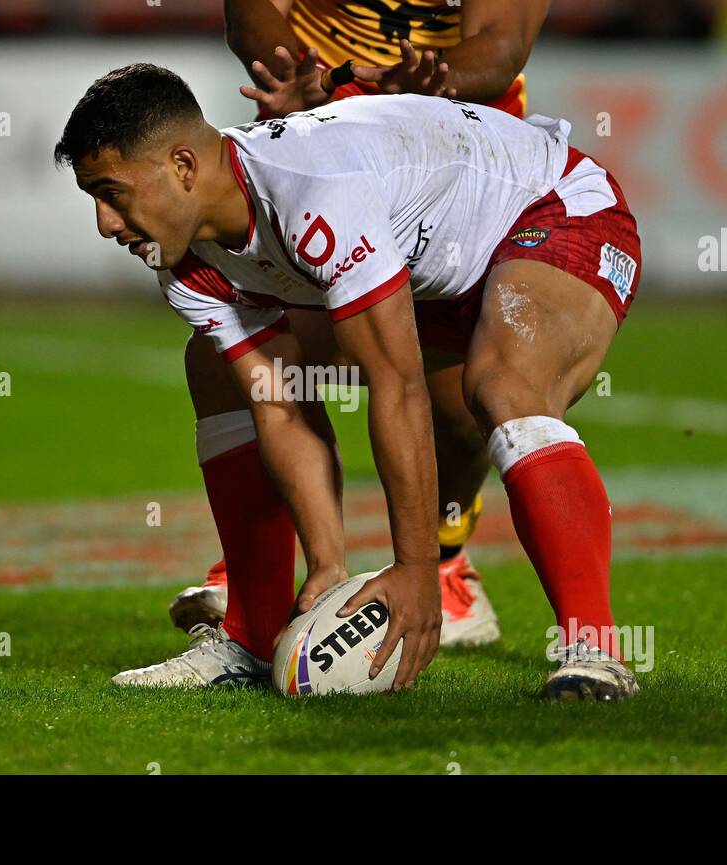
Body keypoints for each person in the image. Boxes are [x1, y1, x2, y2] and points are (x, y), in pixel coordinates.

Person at [55, 64, 641, 700]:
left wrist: (414, 572)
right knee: (217, 370)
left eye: (112, 193)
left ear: (184, 167)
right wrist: (328, 564)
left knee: (502, 388)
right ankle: (250, 637)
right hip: (432, 264)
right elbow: (279, 405)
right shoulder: (187, 264)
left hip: (550, 206)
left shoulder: (314, 191)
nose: (105, 223)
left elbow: (397, 384)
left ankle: (594, 650)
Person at [168, 0, 551, 647]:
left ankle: (448, 561)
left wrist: (410, 90)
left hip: (451, 180)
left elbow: (500, 47)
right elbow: (254, 24)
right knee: (234, 361)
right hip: (319, 160)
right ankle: (257, 585)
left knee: (461, 407)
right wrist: (326, 82)